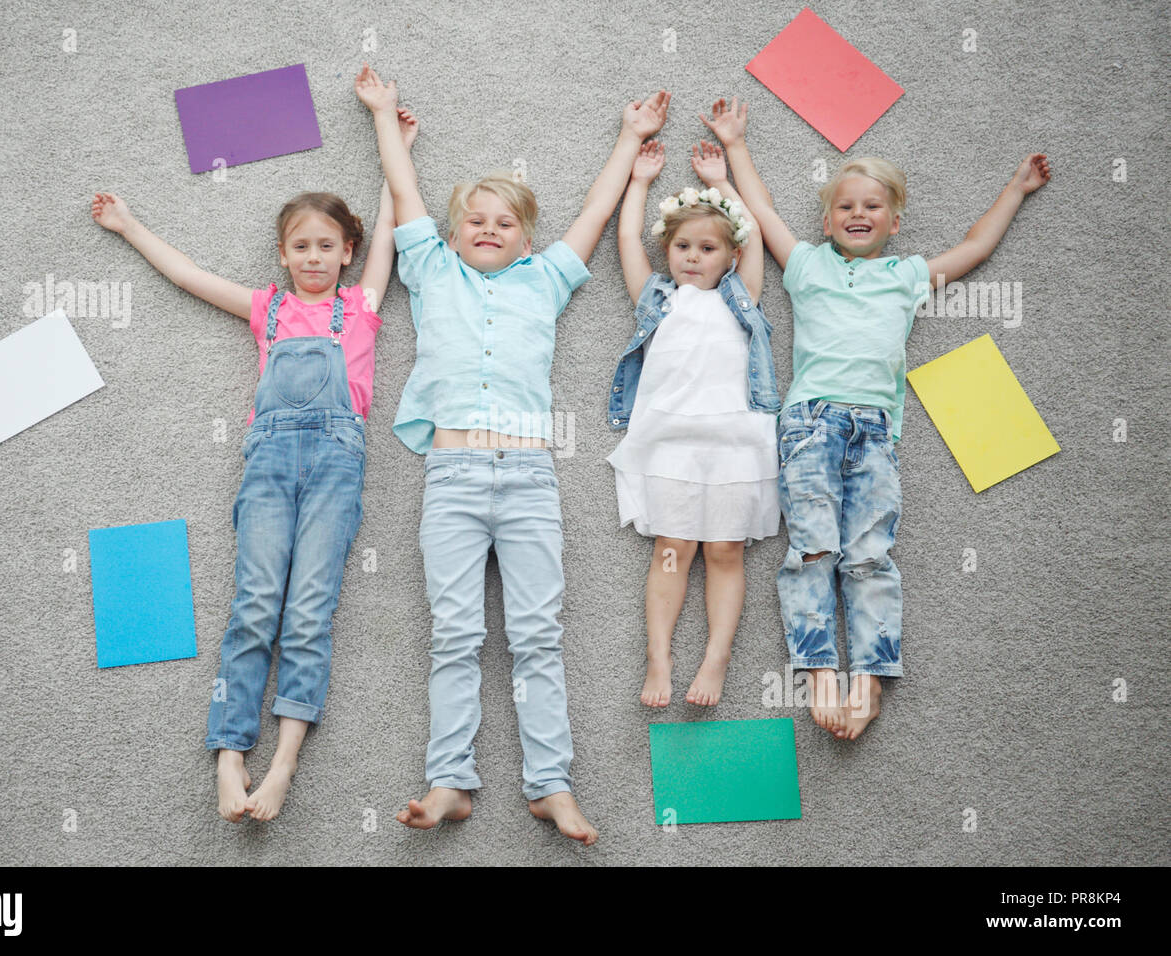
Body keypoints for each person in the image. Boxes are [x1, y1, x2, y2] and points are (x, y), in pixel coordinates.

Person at [357, 61, 671, 845]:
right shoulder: (430, 271)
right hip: (453, 478)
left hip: (530, 476)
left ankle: (551, 785)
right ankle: (449, 781)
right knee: (455, 634)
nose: (489, 229)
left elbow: (596, 219)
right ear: (453, 235)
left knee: (537, 636)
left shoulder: (546, 280)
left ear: (528, 239)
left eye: (506, 221)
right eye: (476, 220)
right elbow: (407, 196)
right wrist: (383, 115)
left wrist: (630, 137)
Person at [90, 105, 416, 821]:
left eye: (327, 245)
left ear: (348, 251)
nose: (312, 257)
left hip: (336, 464)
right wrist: (131, 226)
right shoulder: (264, 309)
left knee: (308, 614)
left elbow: (394, 229)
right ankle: (231, 755)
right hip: (268, 465)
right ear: (281, 252)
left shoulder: (360, 306)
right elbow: (188, 276)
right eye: (300, 245)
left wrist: (397, 144)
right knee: (254, 608)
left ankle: (284, 764)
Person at [712, 95, 1051, 739]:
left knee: (869, 553)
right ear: (827, 219)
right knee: (813, 548)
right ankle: (819, 675)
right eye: (845, 206)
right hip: (809, 422)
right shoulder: (806, 265)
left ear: (895, 222)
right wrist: (733, 149)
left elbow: (975, 248)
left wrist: (1016, 188)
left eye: (871, 207)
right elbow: (761, 213)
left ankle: (867, 676)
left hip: (875, 430)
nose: (858, 214)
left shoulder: (905, 275)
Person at [607, 138, 780, 708]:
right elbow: (629, 238)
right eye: (682, 245)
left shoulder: (742, 298)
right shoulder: (657, 298)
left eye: (708, 248)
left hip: (735, 441)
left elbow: (751, 229)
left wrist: (723, 181)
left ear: (730, 257)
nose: (692, 256)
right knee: (672, 547)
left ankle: (716, 656)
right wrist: (639, 182)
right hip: (671, 442)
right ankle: (659, 656)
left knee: (725, 552)